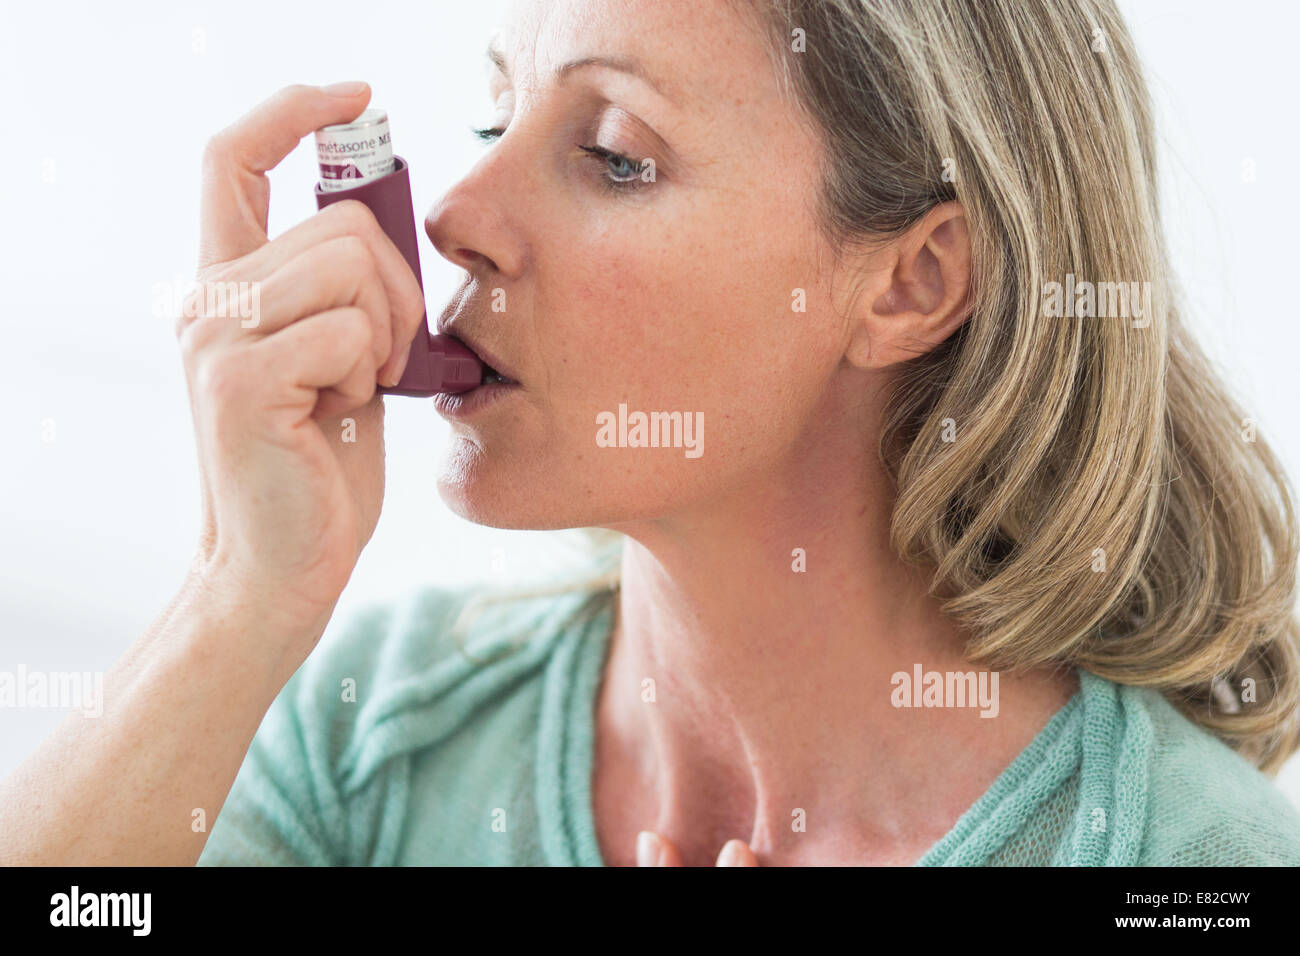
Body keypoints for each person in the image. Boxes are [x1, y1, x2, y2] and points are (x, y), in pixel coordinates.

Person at [3, 0, 1299, 866]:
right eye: (491, 116)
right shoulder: (378, 739)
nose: (454, 210)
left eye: (616, 153)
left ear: (911, 282)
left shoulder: (1182, 862)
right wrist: (239, 595)